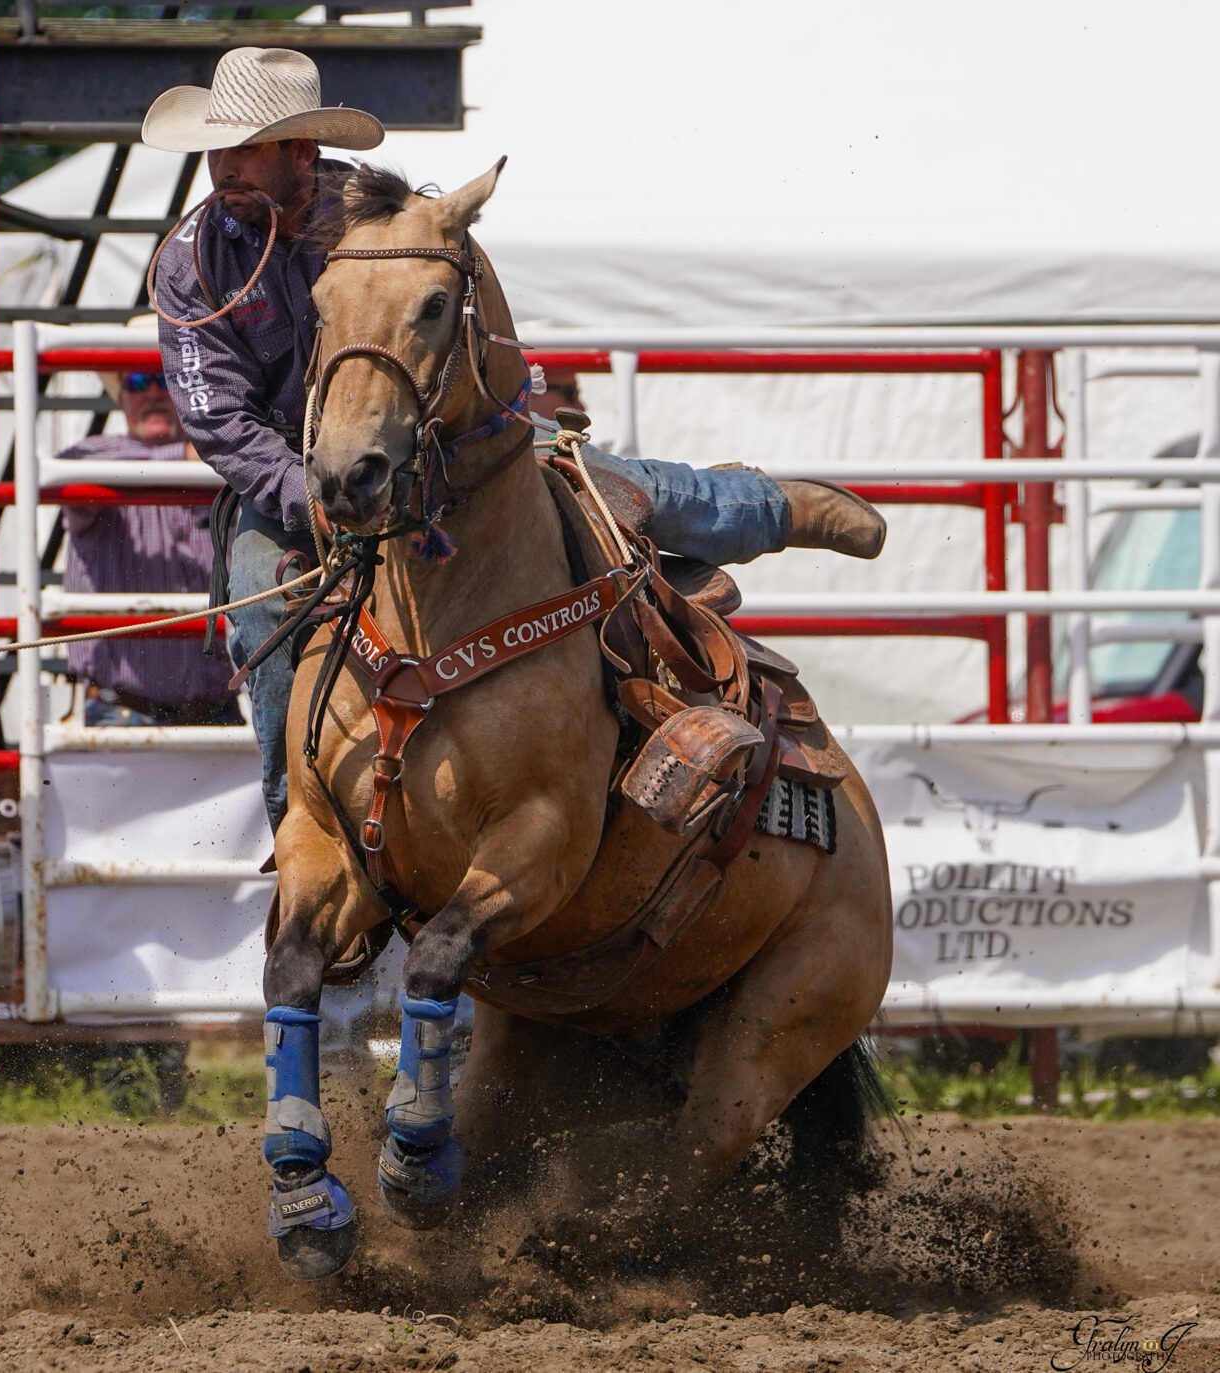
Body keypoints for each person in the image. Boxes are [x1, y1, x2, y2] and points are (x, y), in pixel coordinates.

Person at [142, 47, 888, 833]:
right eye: (216, 150)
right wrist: (307, 493)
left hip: (433, 446)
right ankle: (297, 821)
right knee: (260, 619)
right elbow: (218, 418)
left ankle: (770, 509)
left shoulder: (389, 223)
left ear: (299, 152)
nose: (223, 169)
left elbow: (474, 332)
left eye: (244, 149)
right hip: (300, 482)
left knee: (615, 489)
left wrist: (465, 425)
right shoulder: (192, 267)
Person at [60, 368, 242, 728]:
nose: (154, 393)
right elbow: (72, 477)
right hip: (122, 712)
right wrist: (188, 456)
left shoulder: (223, 458)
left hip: (217, 712)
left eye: (164, 377)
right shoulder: (94, 455)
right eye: (139, 381)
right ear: (122, 397)